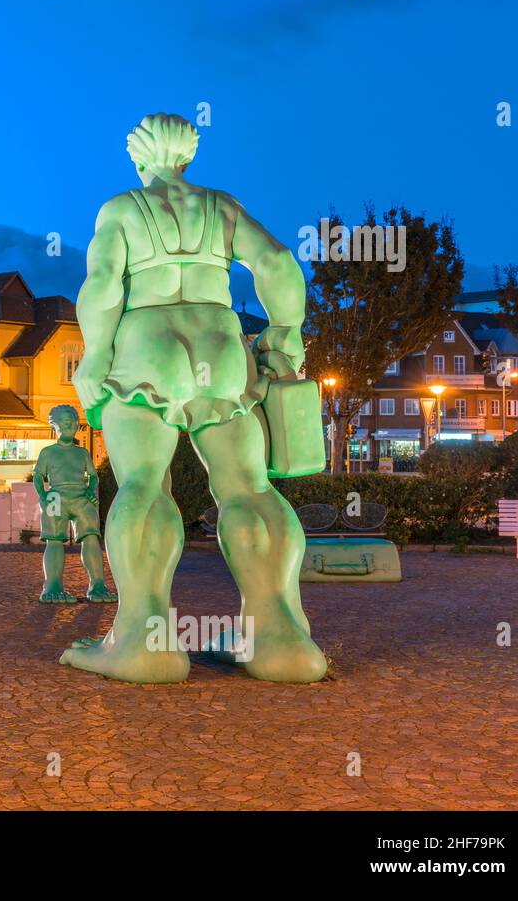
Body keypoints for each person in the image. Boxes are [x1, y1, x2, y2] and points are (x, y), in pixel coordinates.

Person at [61, 113, 327, 684]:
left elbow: (104, 283)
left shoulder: (123, 208)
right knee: (249, 487)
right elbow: (279, 263)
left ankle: (142, 639)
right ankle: (281, 640)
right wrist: (285, 331)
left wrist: (94, 355)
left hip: (146, 345)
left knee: (142, 485)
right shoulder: (222, 207)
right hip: (221, 344)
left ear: (139, 159)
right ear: (189, 158)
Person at [32, 404, 115, 604]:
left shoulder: (82, 453)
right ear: (55, 426)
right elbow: (38, 476)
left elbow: (93, 477)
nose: (70, 426)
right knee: (53, 540)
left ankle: (97, 585)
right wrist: (43, 495)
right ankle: (52, 585)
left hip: (81, 497)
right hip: (55, 497)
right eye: (65, 423)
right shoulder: (47, 452)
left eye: (73, 423)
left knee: (91, 537)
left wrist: (90, 490)